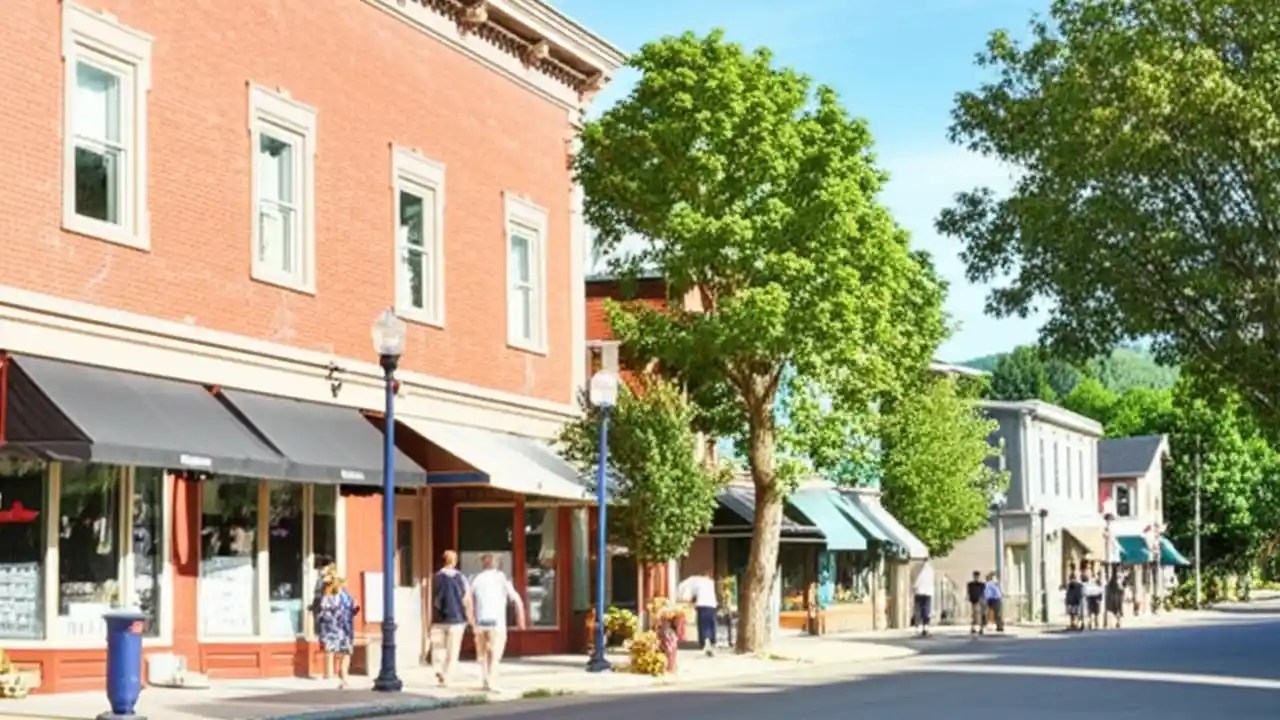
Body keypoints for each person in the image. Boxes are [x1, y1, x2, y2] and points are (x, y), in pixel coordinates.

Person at [468, 553, 525, 692]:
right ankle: (492, 681)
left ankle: (485, 680)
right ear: (496, 564)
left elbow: (467, 599)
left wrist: (471, 620)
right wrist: (521, 618)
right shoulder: (502, 578)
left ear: (483, 564)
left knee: (483, 653)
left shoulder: (476, 579)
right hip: (497, 621)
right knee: (495, 652)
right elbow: (515, 598)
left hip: (481, 621)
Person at [430, 550, 472, 687]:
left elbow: (430, 599)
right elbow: (466, 599)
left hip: (438, 620)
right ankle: (447, 677)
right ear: (454, 562)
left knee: (437, 648)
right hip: (457, 619)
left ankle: (438, 670)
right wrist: (470, 618)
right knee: (452, 651)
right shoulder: (461, 578)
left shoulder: (435, 577)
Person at [315, 569, 359, 688]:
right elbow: (323, 613)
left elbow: (353, 609)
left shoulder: (343, 596)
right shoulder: (330, 596)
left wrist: (354, 609)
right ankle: (333, 675)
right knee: (335, 651)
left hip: (342, 628)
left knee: (343, 652)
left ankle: (341, 676)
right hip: (336, 628)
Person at [677, 568, 719, 656]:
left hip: (702, 604)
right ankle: (712, 640)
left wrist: (687, 600)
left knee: (702, 624)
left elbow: (688, 593)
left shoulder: (696, 581)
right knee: (711, 623)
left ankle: (704, 642)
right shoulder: (711, 583)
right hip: (712, 605)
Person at [913, 557, 935, 637]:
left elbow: (914, 579)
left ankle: (919, 628)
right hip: (927, 592)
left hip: (919, 591)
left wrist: (914, 587)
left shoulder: (917, 568)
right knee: (926, 610)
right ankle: (925, 628)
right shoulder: (930, 569)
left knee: (919, 609)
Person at [966, 571, 986, 635]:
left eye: (977, 576)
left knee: (978, 614)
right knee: (974, 615)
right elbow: (968, 592)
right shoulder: (970, 584)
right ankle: (974, 628)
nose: (976, 577)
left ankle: (980, 628)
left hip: (979, 601)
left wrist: (983, 600)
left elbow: (983, 593)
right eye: (975, 576)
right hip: (973, 601)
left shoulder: (981, 584)